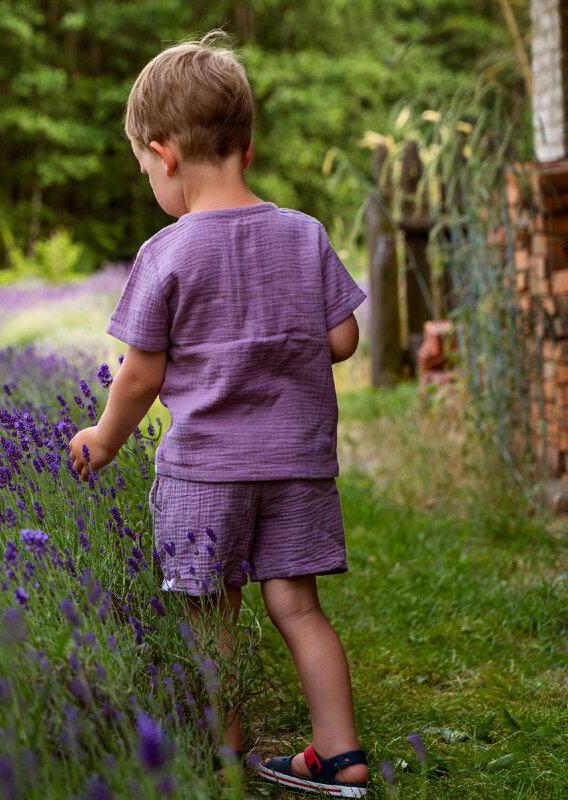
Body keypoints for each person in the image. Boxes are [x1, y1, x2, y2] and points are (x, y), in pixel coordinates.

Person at [68, 32, 370, 798]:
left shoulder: (167, 253)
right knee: (298, 606)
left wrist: (104, 440)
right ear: (249, 143)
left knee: (211, 615)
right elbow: (343, 338)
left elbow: (140, 373)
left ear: (164, 155)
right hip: (298, 462)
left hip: (207, 470)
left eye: (145, 169)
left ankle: (226, 757)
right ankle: (340, 755)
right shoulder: (304, 234)